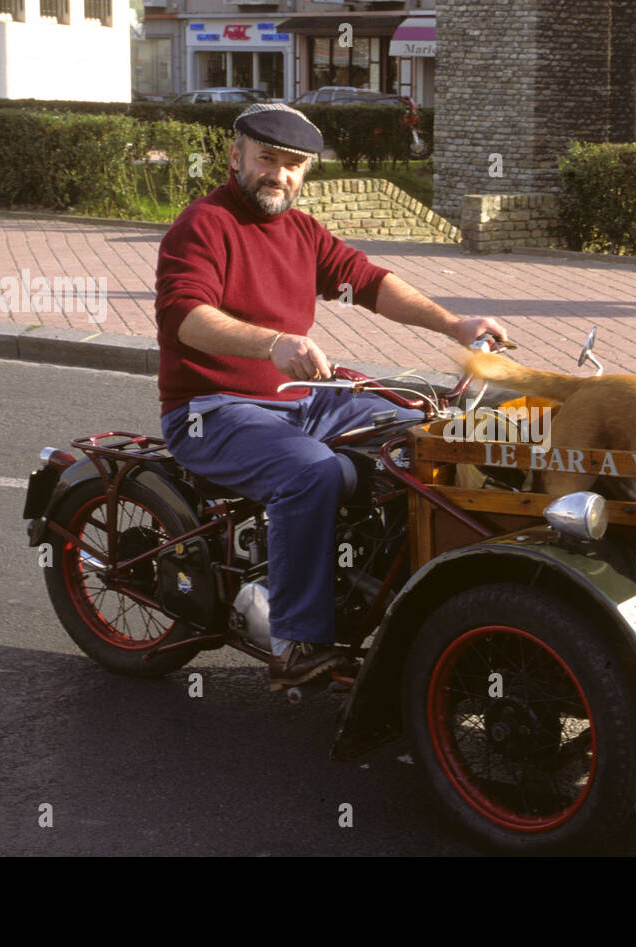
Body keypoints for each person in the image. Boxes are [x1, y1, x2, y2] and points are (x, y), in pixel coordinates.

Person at [155, 103, 506, 690]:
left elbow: (367, 281)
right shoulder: (203, 225)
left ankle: (383, 592)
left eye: (294, 166)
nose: (280, 175)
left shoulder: (300, 231)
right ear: (236, 156)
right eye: (268, 159)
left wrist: (455, 324)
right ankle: (295, 642)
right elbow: (183, 316)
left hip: (304, 397)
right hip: (212, 409)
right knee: (313, 473)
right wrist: (271, 343)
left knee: (421, 429)